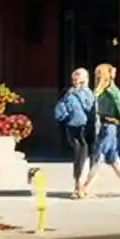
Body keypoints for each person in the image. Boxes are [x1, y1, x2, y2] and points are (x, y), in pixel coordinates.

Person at [83, 63, 120, 195]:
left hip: (108, 127)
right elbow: (118, 107)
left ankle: (86, 186)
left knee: (100, 156)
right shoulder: (105, 91)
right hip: (107, 126)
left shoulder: (105, 91)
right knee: (113, 158)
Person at [53, 67, 96, 199]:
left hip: (72, 127)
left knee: (78, 157)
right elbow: (91, 109)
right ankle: (80, 186)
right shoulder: (88, 94)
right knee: (85, 157)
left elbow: (61, 112)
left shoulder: (68, 94)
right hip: (85, 127)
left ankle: (78, 185)